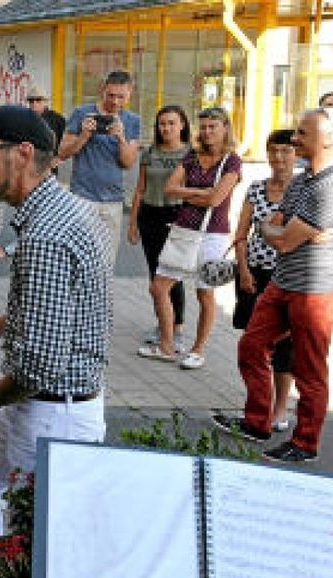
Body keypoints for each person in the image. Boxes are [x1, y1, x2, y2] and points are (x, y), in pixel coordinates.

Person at [0, 106, 111, 538]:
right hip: (48, 403)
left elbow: (40, 365)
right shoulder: (64, 209)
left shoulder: (45, 236)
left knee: (35, 542)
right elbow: (44, 314)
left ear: (23, 153)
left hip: (51, 412)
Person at [214, 108, 333, 463]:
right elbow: (273, 226)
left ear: (328, 139)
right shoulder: (302, 180)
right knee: (251, 346)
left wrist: (280, 231)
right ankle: (257, 422)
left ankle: (305, 443)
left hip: (317, 291)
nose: (294, 139)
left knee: (309, 369)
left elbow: (285, 240)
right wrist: (276, 229)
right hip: (283, 281)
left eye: (302, 133)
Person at [137, 107, 242, 370]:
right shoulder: (192, 156)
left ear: (225, 128)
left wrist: (193, 193)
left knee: (204, 293)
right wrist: (202, 192)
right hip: (183, 230)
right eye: (203, 127)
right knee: (159, 287)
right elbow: (170, 188)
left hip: (212, 233)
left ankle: (198, 349)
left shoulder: (232, 161)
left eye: (212, 127)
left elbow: (216, 200)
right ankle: (167, 346)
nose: (207, 132)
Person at [230, 129, 297, 432]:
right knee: (253, 344)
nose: (278, 157)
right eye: (273, 150)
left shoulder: (301, 191)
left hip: (287, 278)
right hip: (254, 274)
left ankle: (280, 409)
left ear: (296, 155)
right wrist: (243, 270)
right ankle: (257, 404)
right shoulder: (256, 189)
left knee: (285, 347)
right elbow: (241, 233)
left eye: (285, 151)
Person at [58, 70, 142, 267]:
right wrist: (84, 136)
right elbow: (62, 153)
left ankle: (101, 289)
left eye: (121, 97)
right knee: (78, 258)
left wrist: (121, 138)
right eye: (110, 95)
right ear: (103, 89)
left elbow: (128, 163)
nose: (115, 101)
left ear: (130, 93)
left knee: (106, 262)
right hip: (82, 197)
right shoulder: (82, 113)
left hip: (113, 200)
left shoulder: (132, 121)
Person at [127, 105, 192, 352]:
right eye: (162, 124)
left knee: (172, 276)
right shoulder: (150, 152)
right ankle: (163, 325)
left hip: (176, 217)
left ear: (182, 125)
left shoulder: (190, 154)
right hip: (149, 216)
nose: (166, 128)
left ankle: (178, 328)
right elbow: (140, 189)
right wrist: (133, 223)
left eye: (171, 123)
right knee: (155, 274)